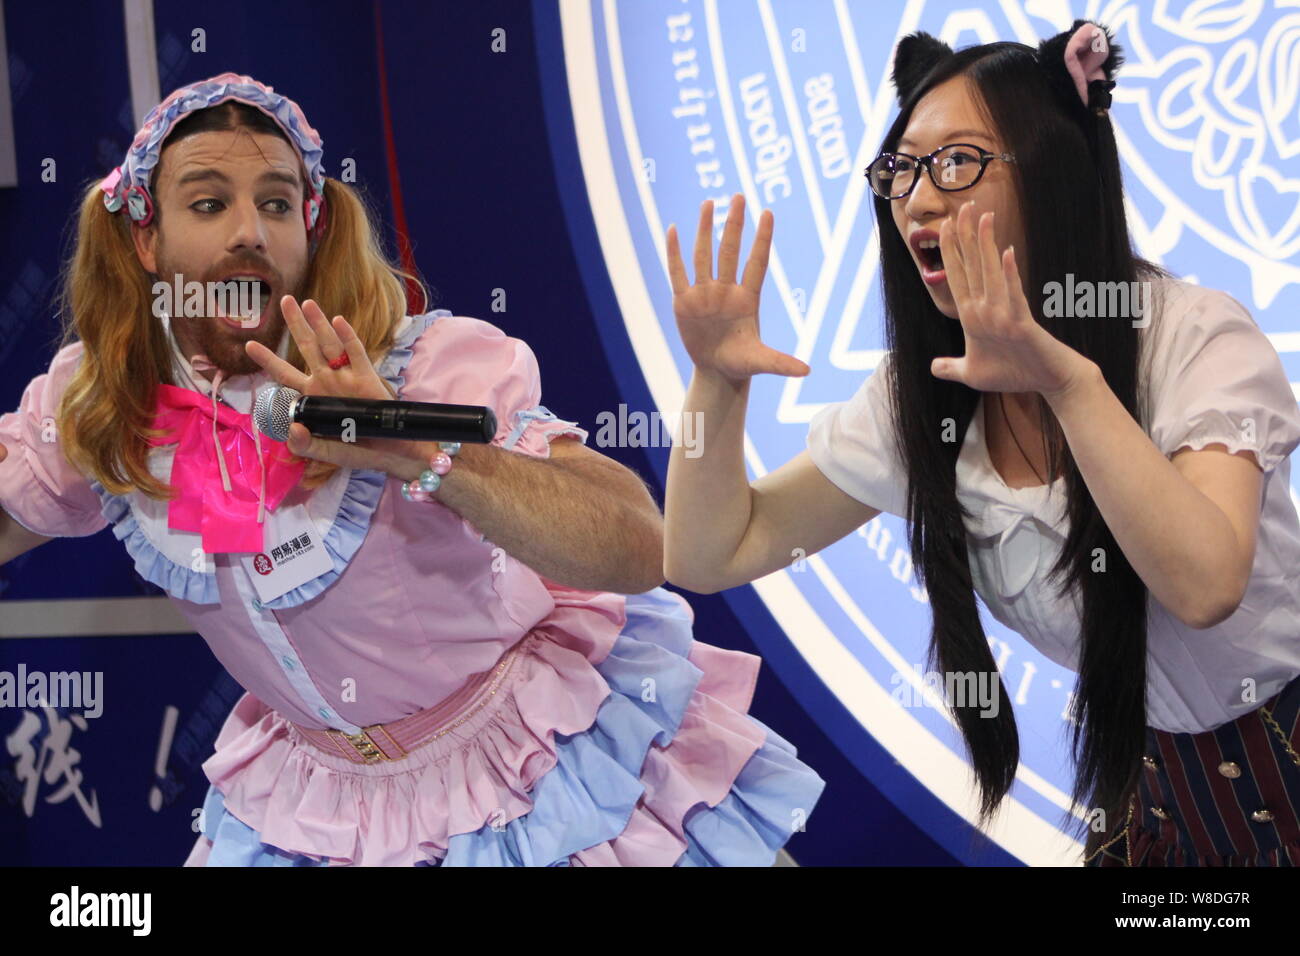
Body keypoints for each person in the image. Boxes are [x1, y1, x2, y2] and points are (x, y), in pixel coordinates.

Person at [0, 72, 825, 866]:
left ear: (312, 228)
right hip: (314, 814)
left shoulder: (422, 364)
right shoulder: (104, 400)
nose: (250, 231)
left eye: (278, 204)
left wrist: (418, 456)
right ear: (145, 237)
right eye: (209, 204)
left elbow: (635, 546)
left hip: (536, 768)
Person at [663, 20, 1300, 866]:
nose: (919, 201)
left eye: (957, 163)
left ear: (1054, 176)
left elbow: (1205, 584)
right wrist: (717, 384)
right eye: (901, 171)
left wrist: (1065, 381)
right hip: (1163, 806)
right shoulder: (919, 394)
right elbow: (709, 554)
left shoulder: (1191, 338)